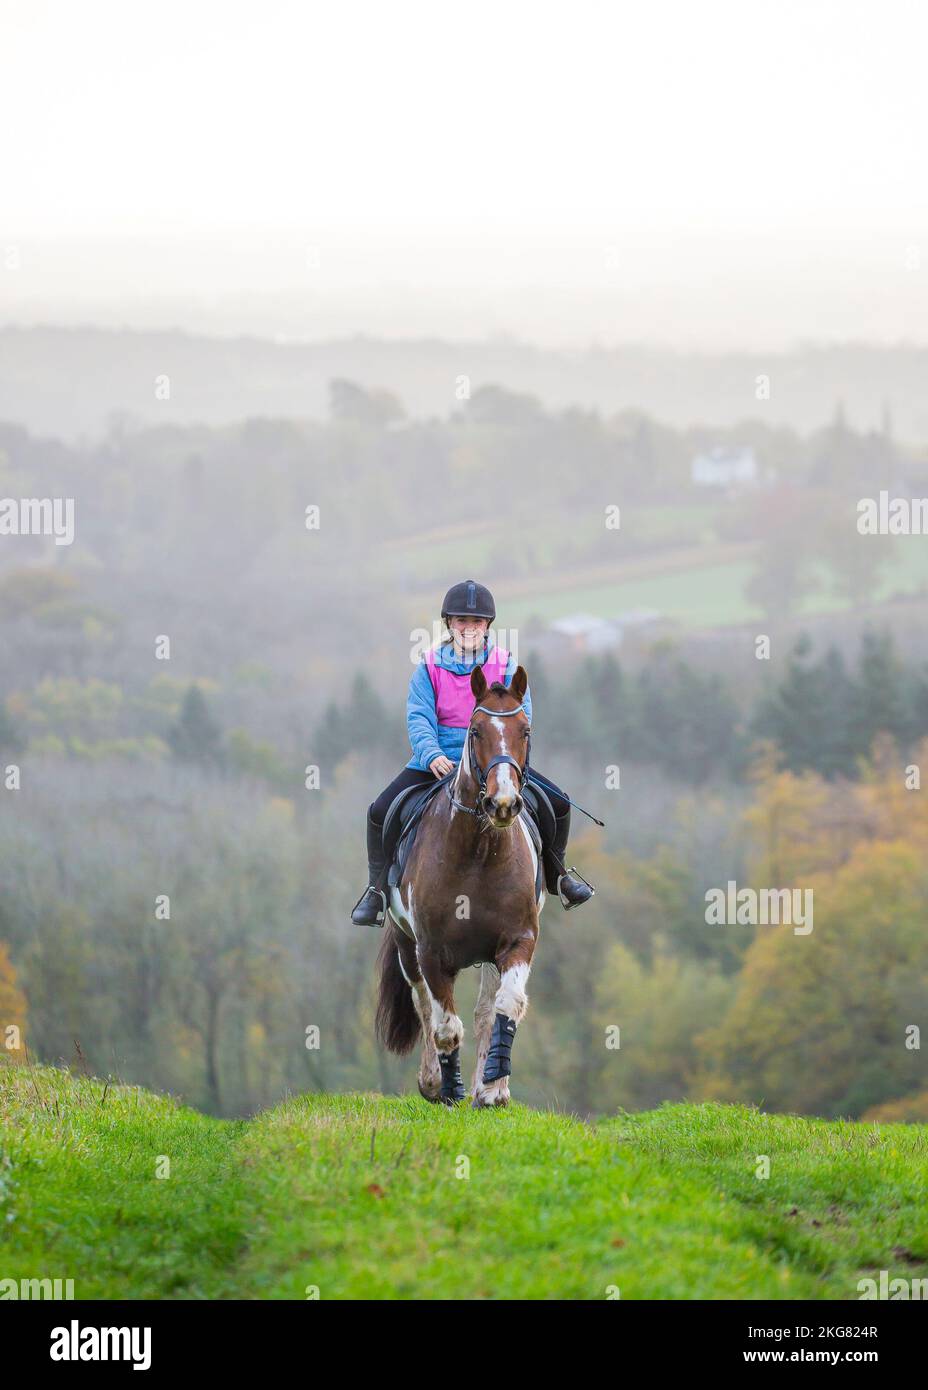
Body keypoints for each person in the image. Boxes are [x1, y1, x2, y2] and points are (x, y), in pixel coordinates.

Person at [350, 579, 595, 926]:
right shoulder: (430, 666)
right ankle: (376, 891)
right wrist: (431, 754)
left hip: (495, 762)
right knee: (380, 811)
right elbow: (419, 716)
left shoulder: (506, 665)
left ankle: (559, 876)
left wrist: (508, 760)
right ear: (449, 624)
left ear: (487, 627)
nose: (469, 628)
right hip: (437, 761)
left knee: (558, 804)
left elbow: (521, 718)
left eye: (476, 622)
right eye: (461, 621)